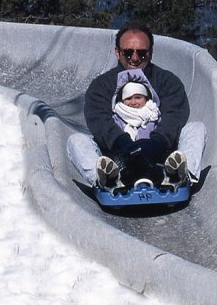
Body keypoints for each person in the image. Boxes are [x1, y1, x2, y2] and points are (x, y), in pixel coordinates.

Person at [67, 24, 205, 190]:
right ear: (117, 53)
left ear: (150, 52)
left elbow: (174, 114)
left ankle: (178, 175)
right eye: (128, 52)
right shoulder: (102, 85)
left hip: (160, 156)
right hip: (118, 158)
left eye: (141, 52)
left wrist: (156, 143)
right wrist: (123, 144)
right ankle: (108, 179)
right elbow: (98, 119)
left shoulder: (167, 81)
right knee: (75, 141)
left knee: (196, 128)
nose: (134, 57)